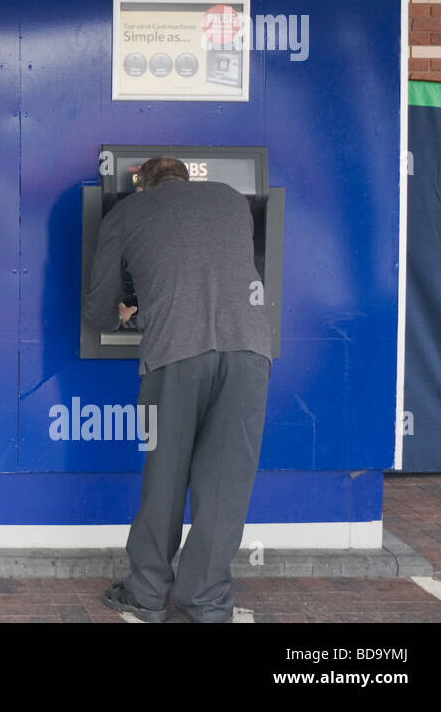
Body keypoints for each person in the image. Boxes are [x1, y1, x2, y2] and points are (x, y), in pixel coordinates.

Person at [83, 155, 272, 623]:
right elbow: (211, 278)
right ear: (188, 179)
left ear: (143, 187)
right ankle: (205, 604)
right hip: (250, 353)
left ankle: (146, 594)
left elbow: (100, 308)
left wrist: (126, 314)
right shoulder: (232, 201)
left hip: (174, 358)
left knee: (164, 476)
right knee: (225, 486)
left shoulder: (125, 213)